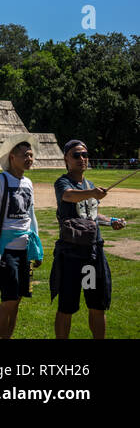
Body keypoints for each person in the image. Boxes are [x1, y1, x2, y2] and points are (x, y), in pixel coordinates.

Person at [49, 139, 127, 339]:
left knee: (96, 303)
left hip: (92, 255)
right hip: (71, 255)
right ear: (66, 158)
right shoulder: (63, 182)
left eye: (84, 154)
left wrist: (111, 221)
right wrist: (92, 193)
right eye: (76, 155)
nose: (82, 158)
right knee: (67, 306)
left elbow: (92, 216)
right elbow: (69, 196)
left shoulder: (90, 185)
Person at [0, 137, 43, 339]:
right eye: (25, 155)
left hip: (25, 250)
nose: (29, 158)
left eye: (31, 155)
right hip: (6, 249)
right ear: (12, 157)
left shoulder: (28, 182)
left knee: (17, 300)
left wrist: (37, 245)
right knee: (8, 300)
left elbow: (31, 214)